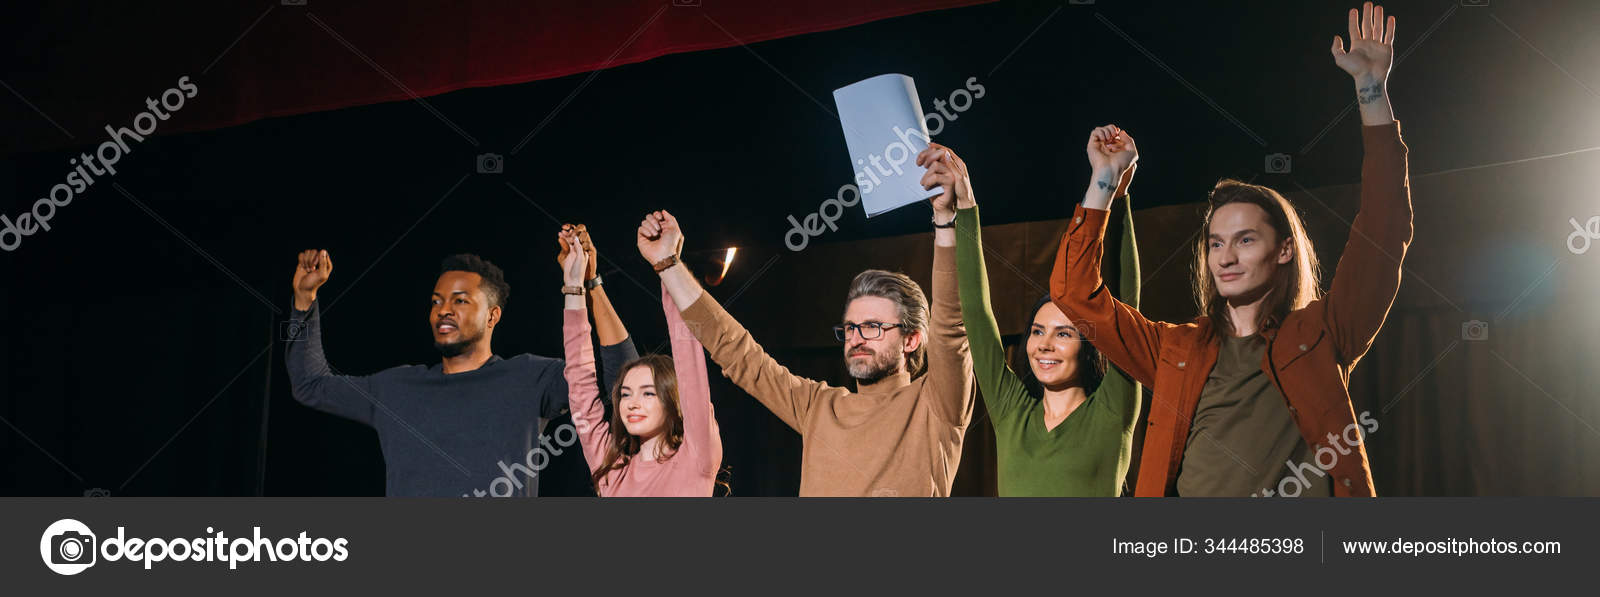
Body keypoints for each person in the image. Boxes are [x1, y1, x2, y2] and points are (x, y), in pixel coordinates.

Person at [1050, 2, 1410, 497]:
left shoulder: (1322, 334)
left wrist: (1371, 92)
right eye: (1216, 242)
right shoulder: (1174, 350)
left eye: (1245, 240)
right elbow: (1073, 293)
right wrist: (1104, 184)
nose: (1225, 256)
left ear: (1284, 250)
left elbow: (1384, 231)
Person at [634, 144, 977, 497]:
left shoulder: (936, 404)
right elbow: (737, 352)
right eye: (850, 328)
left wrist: (948, 220)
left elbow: (952, 327)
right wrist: (668, 265)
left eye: (873, 327)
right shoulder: (819, 406)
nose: (857, 338)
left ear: (912, 339)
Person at [284, 230, 638, 497]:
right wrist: (304, 299)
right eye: (437, 301)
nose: (444, 310)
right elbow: (310, 385)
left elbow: (621, 379)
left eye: (461, 300)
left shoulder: (530, 377)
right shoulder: (397, 388)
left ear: (492, 316)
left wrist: (590, 282)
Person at [955, 144, 1143, 497]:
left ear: (1088, 345)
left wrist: (1113, 191)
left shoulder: (1111, 411)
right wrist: (965, 207)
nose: (1044, 343)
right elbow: (977, 314)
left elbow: (1125, 305)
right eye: (1038, 331)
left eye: (1063, 333)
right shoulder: (1012, 412)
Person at [557, 228, 723, 496]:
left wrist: (667, 265)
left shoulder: (696, 459)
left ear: (673, 399)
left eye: (648, 392)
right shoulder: (611, 469)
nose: (632, 403)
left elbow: (689, 361)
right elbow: (581, 389)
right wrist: (573, 286)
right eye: (624, 394)